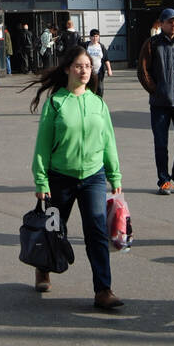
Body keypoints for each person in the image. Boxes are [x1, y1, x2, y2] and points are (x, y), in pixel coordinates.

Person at [27, 45, 124, 309]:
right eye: (79, 66)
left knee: (96, 231)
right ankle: (43, 268)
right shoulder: (56, 103)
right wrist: (41, 181)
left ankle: (103, 290)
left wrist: (114, 175)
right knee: (53, 228)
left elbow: (108, 141)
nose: (84, 71)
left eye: (88, 66)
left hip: (93, 176)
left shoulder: (97, 102)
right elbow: (43, 144)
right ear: (68, 68)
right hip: (60, 177)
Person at [138, 7, 174, 195]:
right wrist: (155, 90)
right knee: (161, 143)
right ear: (161, 24)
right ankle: (164, 180)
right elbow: (143, 71)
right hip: (160, 103)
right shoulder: (152, 43)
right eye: (170, 21)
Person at [85, 28, 112, 98]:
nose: (95, 38)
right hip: (88, 72)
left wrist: (109, 69)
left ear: (99, 37)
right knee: (88, 88)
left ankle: (99, 102)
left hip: (99, 72)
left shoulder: (101, 47)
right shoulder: (86, 46)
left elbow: (106, 59)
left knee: (100, 89)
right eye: (93, 36)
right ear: (90, 37)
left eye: (97, 36)